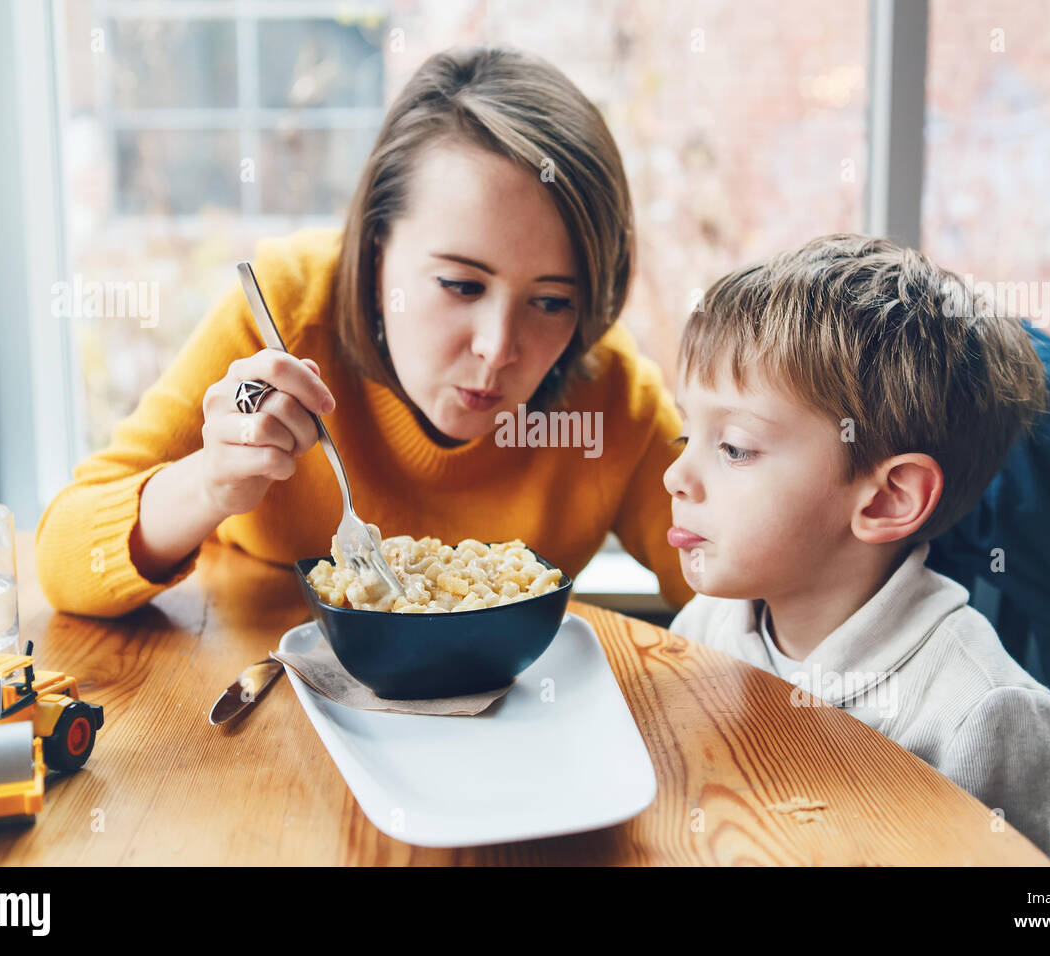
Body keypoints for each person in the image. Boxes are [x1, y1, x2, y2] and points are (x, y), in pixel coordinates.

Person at [35, 46, 694, 618]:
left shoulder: (606, 393)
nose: (498, 347)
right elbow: (63, 555)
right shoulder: (285, 315)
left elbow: (733, 581)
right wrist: (207, 484)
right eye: (462, 286)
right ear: (376, 246)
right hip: (261, 708)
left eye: (551, 302)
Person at [663, 235, 1050, 866]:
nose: (675, 476)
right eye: (685, 432)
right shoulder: (703, 629)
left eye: (735, 448)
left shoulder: (983, 714)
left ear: (887, 500)